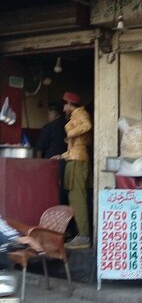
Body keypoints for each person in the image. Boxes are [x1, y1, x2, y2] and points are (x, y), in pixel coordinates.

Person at [51, 92, 92, 249]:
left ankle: (84, 236)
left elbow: (87, 125)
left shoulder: (80, 113)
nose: (63, 107)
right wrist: (61, 156)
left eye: (64, 103)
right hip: (74, 158)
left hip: (77, 161)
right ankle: (80, 234)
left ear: (69, 103)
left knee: (77, 198)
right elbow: (74, 147)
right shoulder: (75, 115)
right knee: (74, 198)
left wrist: (70, 133)